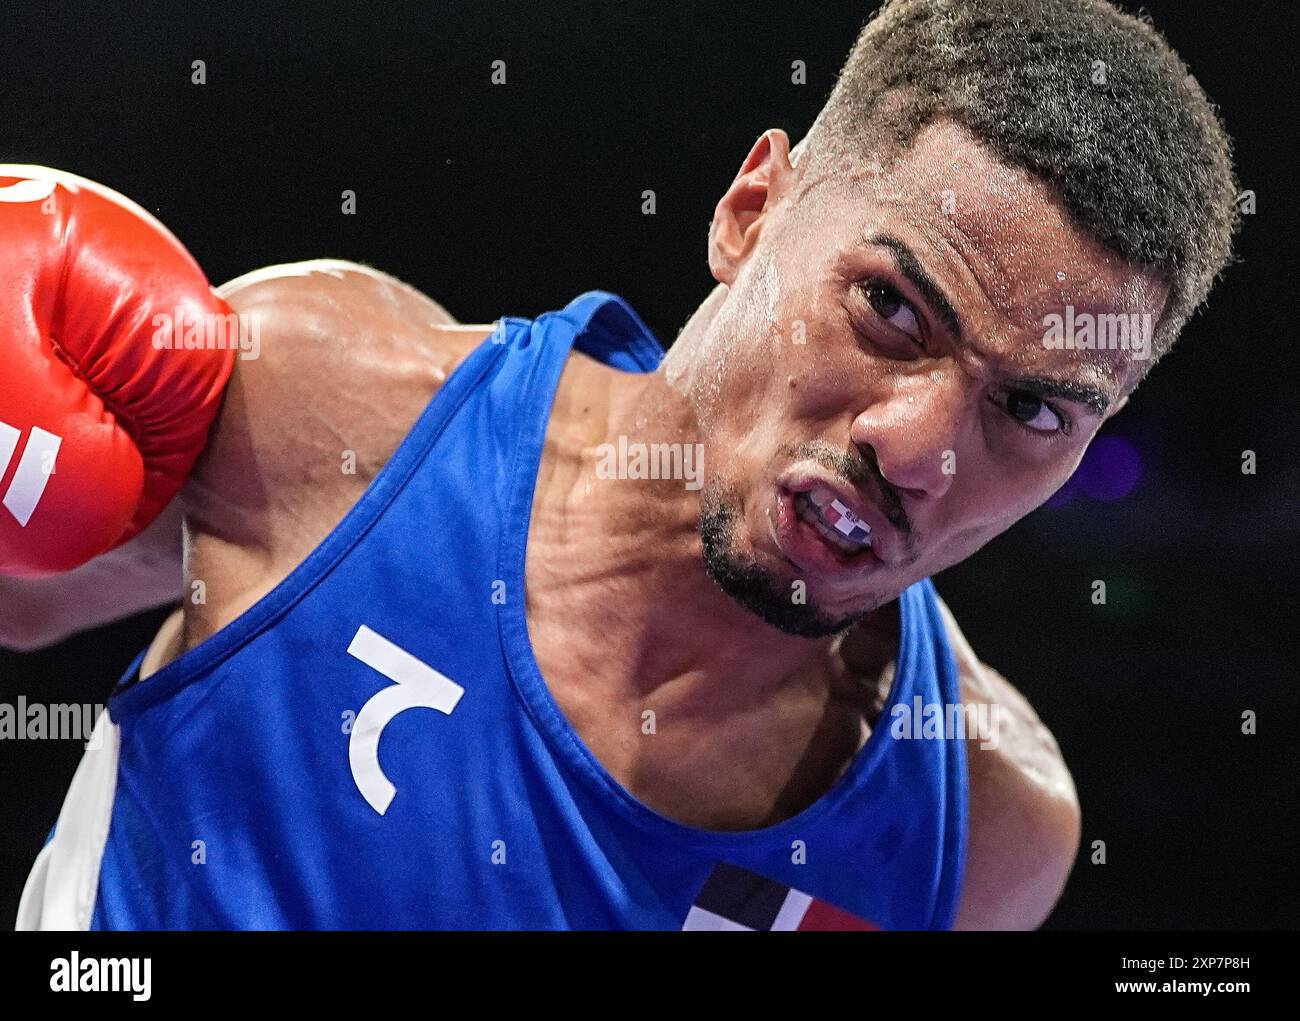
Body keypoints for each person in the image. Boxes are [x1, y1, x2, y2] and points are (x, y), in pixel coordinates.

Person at [1, 0, 1238, 929]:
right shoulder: (335, 407)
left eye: (1030, 408)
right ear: (751, 212)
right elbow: (24, 598)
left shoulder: (979, 839)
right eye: (891, 308)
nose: (913, 450)